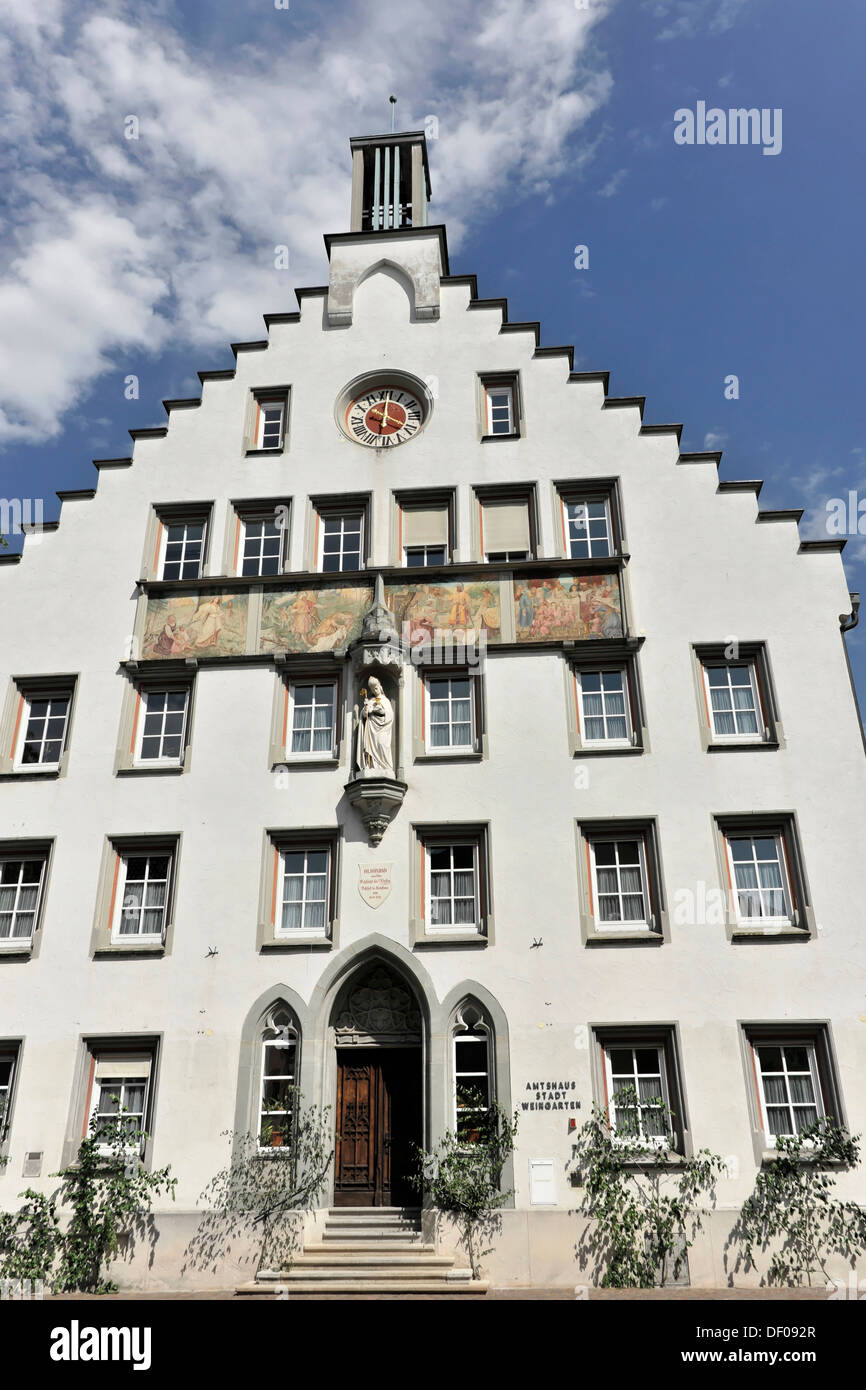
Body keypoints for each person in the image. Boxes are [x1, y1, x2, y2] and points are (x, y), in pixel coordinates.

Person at [356, 676, 395, 775]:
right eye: (373, 689)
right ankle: (371, 766)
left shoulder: (385, 701)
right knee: (370, 748)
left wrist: (378, 710)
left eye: (376, 688)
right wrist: (366, 708)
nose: (375, 690)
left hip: (382, 729)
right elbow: (364, 716)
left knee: (382, 744)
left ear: (380, 687)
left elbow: (390, 715)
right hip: (371, 729)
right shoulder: (371, 701)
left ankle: (385, 766)